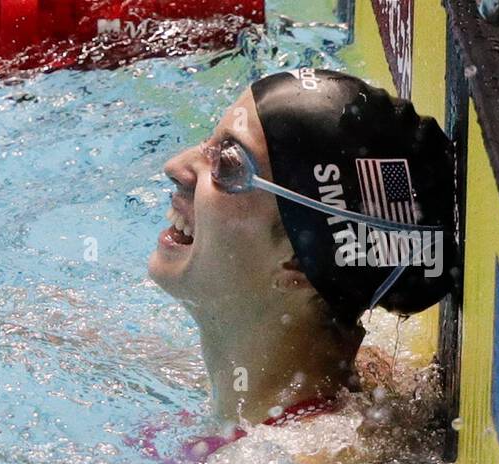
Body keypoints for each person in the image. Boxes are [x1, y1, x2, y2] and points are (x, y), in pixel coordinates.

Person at [148, 68, 459, 443]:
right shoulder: (248, 383)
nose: (176, 167)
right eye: (207, 145)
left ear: (298, 263)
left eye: (227, 165)